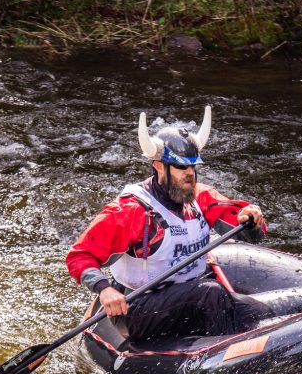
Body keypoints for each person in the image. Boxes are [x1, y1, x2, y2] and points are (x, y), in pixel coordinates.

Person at [66, 106, 273, 342]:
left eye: (193, 167)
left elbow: (246, 228)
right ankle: (228, 361)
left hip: (187, 296)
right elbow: (79, 256)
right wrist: (104, 288)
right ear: (159, 167)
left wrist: (252, 219)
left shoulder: (200, 196)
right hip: (137, 307)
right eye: (181, 167)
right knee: (210, 294)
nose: (190, 174)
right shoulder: (131, 210)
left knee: (260, 313)